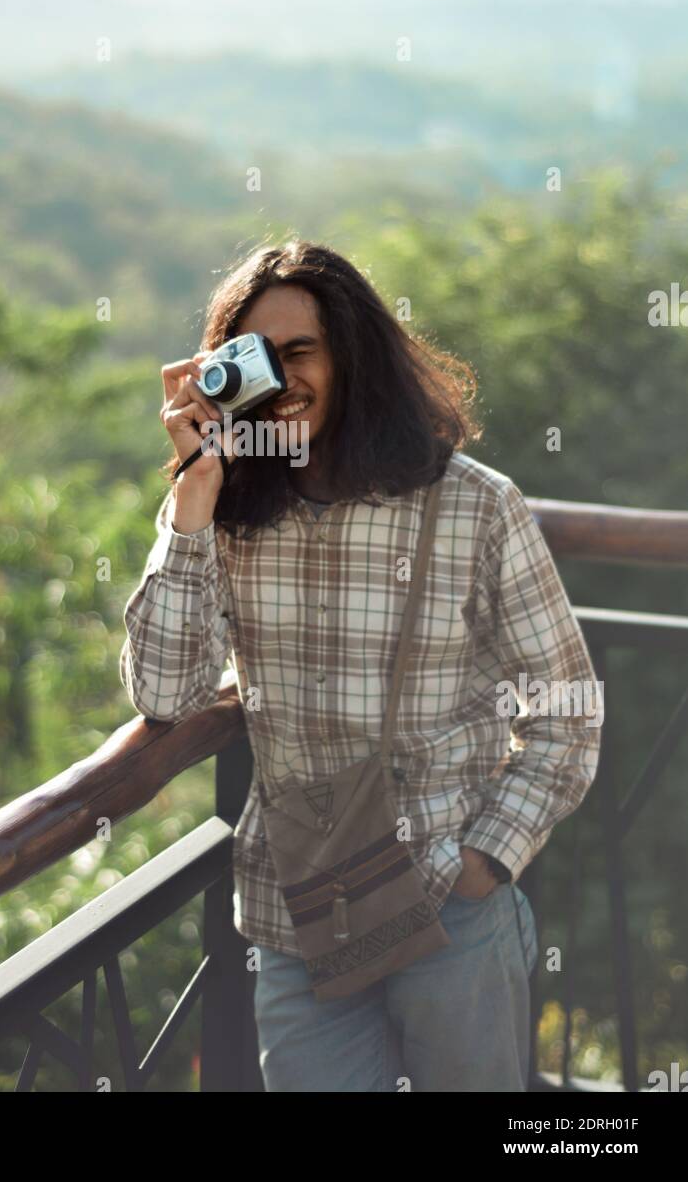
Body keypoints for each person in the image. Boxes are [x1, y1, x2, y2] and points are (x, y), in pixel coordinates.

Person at [119, 237, 603, 1092]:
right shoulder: (230, 510)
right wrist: (190, 499)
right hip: (294, 914)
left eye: (300, 351)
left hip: (450, 907)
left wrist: (486, 860)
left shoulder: (473, 505)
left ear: (356, 358)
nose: (282, 378)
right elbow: (165, 693)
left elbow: (566, 709)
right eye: (256, 360)